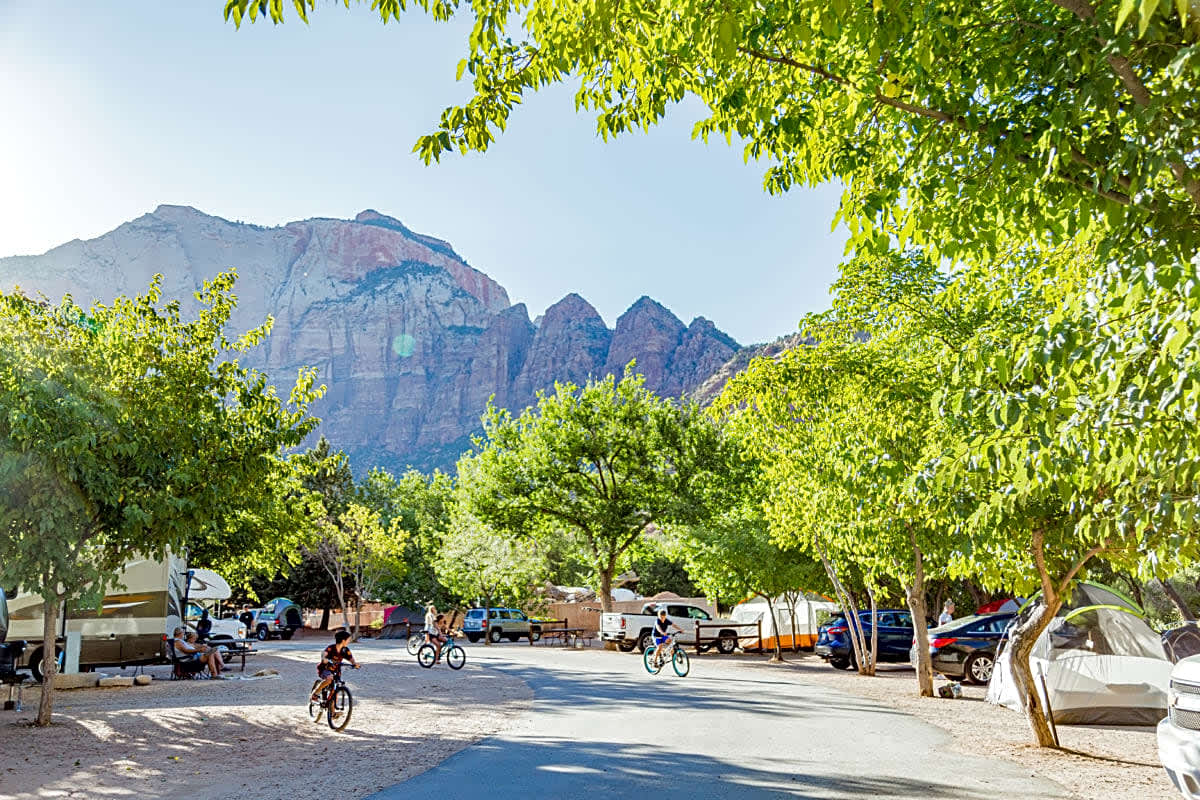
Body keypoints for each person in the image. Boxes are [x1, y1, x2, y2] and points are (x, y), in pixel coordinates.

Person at [312, 630, 359, 702]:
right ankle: (315, 693)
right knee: (329, 679)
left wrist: (354, 664)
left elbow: (350, 658)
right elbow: (324, 653)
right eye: (348, 640)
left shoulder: (345, 650)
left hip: (336, 670)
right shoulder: (331, 648)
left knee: (335, 688)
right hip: (325, 669)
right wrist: (324, 659)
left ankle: (332, 712)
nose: (349, 641)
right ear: (343, 640)